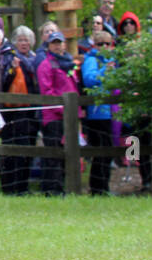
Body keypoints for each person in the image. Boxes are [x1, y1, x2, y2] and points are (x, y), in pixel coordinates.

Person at [37, 30, 81, 195]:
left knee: (67, 153)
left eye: (59, 42)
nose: (57, 46)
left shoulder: (69, 63)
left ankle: (64, 186)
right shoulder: (46, 65)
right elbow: (47, 92)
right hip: (53, 116)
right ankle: (51, 188)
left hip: (69, 117)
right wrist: (63, 109)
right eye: (54, 43)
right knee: (53, 153)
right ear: (48, 45)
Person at [0, 25, 40, 194]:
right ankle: (11, 187)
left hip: (32, 111)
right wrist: (13, 69)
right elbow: (4, 83)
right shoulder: (9, 58)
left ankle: (23, 186)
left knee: (28, 149)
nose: (24, 43)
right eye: (21, 40)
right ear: (15, 41)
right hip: (14, 111)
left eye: (27, 40)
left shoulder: (35, 59)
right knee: (13, 150)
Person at [80, 30, 118, 195]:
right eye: (100, 43)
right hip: (96, 114)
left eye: (107, 44)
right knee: (99, 152)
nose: (104, 47)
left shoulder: (111, 60)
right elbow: (89, 79)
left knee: (108, 151)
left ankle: (104, 186)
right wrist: (105, 71)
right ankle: (97, 188)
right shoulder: (91, 60)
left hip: (111, 112)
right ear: (94, 45)